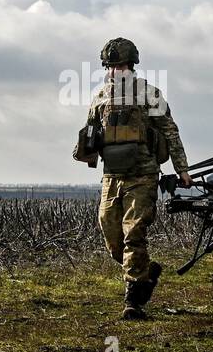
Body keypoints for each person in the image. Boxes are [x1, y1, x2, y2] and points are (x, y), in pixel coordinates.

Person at [74, 37, 191, 319]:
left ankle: (133, 299)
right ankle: (146, 271)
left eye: (122, 65)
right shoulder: (101, 97)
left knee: (134, 232)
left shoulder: (150, 94)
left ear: (132, 66)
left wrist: (182, 169)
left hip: (143, 174)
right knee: (111, 234)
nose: (116, 71)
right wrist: (87, 154)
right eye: (111, 66)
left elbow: (170, 132)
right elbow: (91, 131)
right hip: (112, 177)